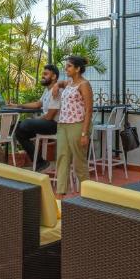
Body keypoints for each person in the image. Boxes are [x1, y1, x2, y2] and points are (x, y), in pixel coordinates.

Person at [53, 56, 93, 196]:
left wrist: (84, 133)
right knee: (62, 158)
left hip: (77, 125)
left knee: (79, 163)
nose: (66, 68)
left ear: (77, 69)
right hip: (63, 125)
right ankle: (60, 194)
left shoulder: (84, 85)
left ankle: (87, 196)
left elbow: (89, 110)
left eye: (69, 66)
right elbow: (62, 83)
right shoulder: (69, 83)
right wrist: (57, 85)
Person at [14, 64, 61, 171]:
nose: (42, 76)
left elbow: (49, 116)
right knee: (17, 130)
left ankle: (41, 163)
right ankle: (40, 163)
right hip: (47, 123)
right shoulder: (47, 90)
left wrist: (34, 120)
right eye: (42, 74)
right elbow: (38, 104)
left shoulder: (56, 90)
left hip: (54, 125)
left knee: (25, 124)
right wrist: (18, 105)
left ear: (54, 76)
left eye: (45, 74)